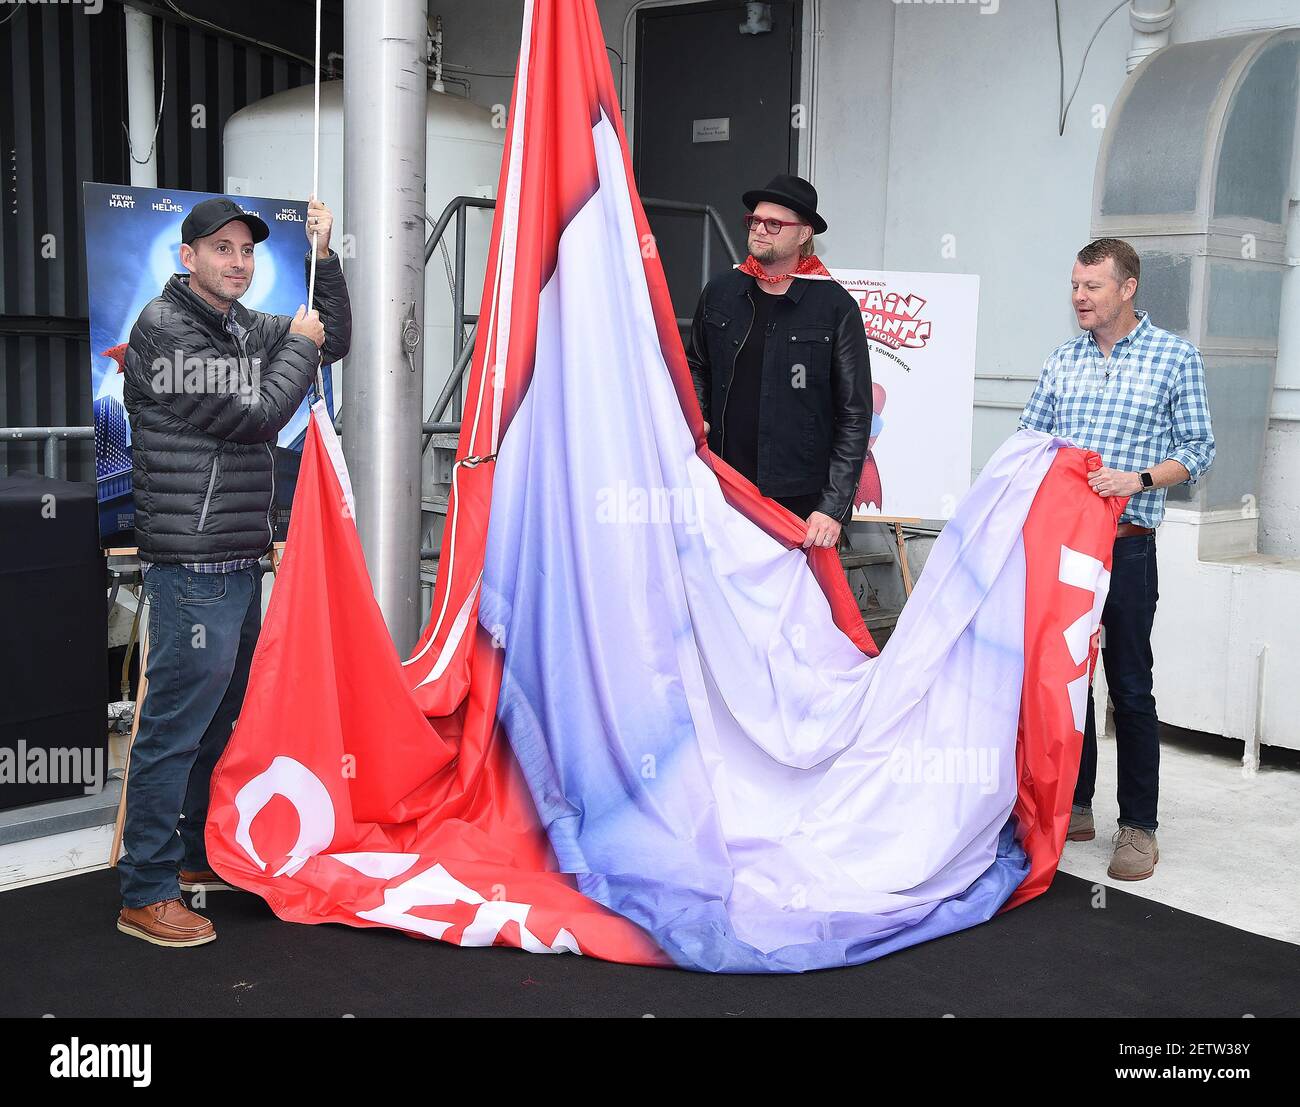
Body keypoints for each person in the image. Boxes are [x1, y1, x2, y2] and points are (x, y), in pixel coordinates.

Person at [117, 195, 352, 945]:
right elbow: (255, 411)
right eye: (221, 249)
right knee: (172, 729)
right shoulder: (165, 330)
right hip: (193, 564)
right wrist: (303, 345)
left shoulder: (234, 324)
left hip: (238, 558)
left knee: (216, 724)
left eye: (246, 250)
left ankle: (188, 859)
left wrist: (326, 258)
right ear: (187, 258)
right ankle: (144, 891)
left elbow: (331, 336)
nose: (238, 262)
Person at [1019, 237, 1214, 881]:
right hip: (1065, 552)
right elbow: (1032, 442)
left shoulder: (1173, 357)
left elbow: (1199, 448)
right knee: (1065, 682)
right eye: (1074, 285)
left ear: (1126, 288)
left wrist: (1139, 481)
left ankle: (1139, 826)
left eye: (1092, 287)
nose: (1079, 296)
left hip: (1128, 548)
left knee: (1128, 686)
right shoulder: (1062, 360)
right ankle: (1075, 803)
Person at [686, 174, 871, 548]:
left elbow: (854, 415)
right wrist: (698, 415)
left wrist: (833, 507)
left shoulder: (835, 307)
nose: (760, 230)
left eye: (774, 224)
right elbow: (697, 366)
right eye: (754, 221)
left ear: (803, 235)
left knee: (797, 606)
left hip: (798, 501)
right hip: (723, 483)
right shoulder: (721, 292)